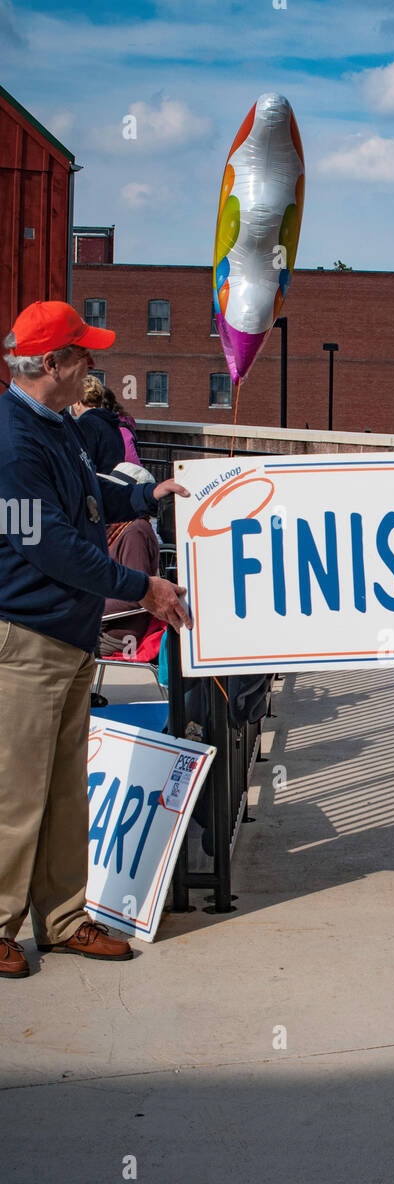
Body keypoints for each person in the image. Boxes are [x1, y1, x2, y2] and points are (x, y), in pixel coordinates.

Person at [0, 300, 193, 980]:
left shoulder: (55, 427)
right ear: (51, 364)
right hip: (26, 640)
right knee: (15, 794)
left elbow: (85, 504)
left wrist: (146, 498)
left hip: (67, 637)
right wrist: (142, 588)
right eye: (83, 355)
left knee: (60, 794)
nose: (92, 365)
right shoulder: (12, 440)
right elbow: (47, 543)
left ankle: (60, 921)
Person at [99, 464, 162, 658]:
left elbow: (136, 595)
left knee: (54, 643)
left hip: (119, 631)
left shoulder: (135, 531)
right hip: (109, 623)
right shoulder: (121, 528)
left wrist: (89, 608)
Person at [69, 374, 125, 473]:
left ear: (78, 402)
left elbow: (84, 464)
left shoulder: (86, 423)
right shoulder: (111, 421)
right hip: (113, 482)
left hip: (98, 483)